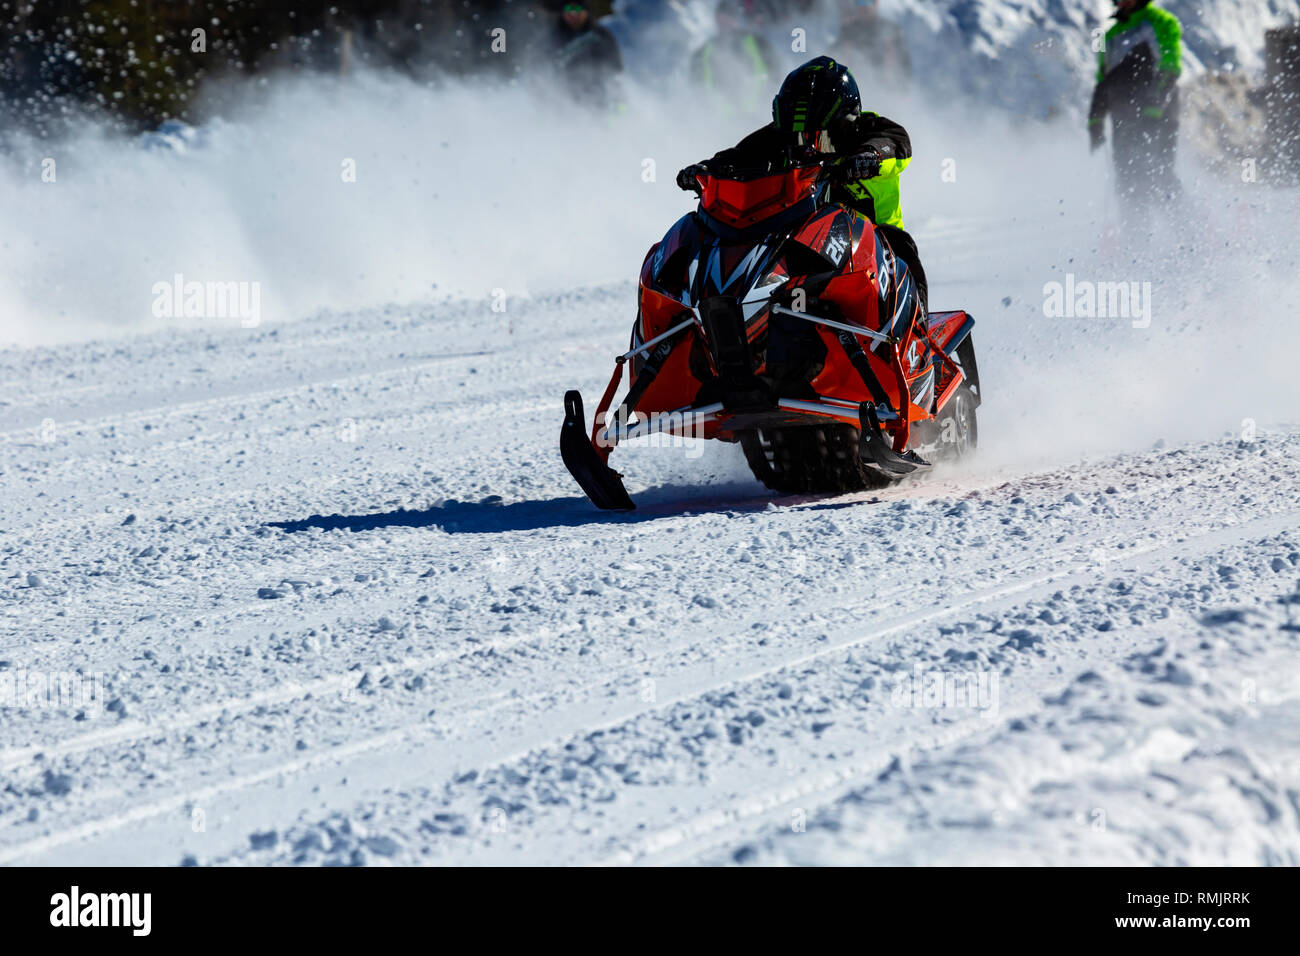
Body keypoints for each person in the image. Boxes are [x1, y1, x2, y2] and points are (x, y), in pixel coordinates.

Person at [677, 55, 928, 312]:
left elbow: (897, 145)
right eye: (794, 138)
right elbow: (740, 156)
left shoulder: (872, 130)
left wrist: (870, 156)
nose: (803, 148)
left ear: (844, 123)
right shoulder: (779, 136)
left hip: (874, 242)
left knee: (902, 251)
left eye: (814, 139)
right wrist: (707, 171)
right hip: (807, 240)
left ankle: (919, 330)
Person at [1088, 0, 1183, 208]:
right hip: (1123, 118)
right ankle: (1136, 239)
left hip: (1158, 115)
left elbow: (1170, 68)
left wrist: (1154, 108)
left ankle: (1195, 234)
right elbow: (1103, 83)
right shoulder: (1110, 36)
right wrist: (1095, 120)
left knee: (1158, 174)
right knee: (1127, 183)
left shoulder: (1159, 22)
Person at [551, 1, 623, 106]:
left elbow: (615, 66)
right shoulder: (552, 38)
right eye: (568, 10)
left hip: (597, 93)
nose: (573, 14)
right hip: (564, 95)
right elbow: (544, 64)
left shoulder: (600, 35)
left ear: (586, 12)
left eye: (577, 10)